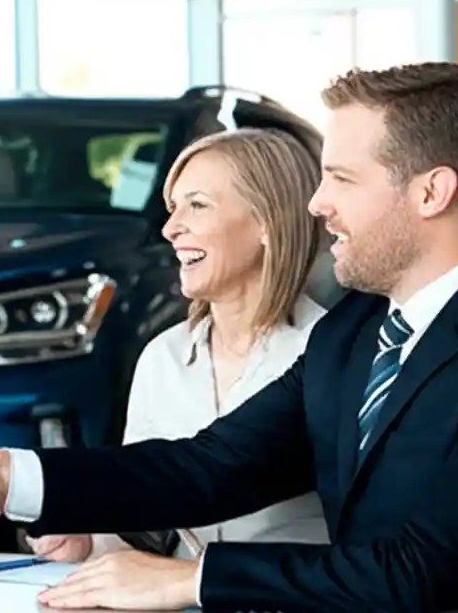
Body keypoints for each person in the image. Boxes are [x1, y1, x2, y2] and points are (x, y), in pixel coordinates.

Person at [0, 62, 458, 611]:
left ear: (432, 192)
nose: (318, 205)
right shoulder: (357, 331)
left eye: (342, 179)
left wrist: (187, 580)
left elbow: (422, 571)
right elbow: (209, 467)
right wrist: (3, 473)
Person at [25, 128, 329, 567]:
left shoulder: (332, 355)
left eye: (198, 205)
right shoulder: (162, 357)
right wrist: (92, 541)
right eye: (172, 208)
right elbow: (149, 517)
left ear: (268, 222)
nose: (170, 229)